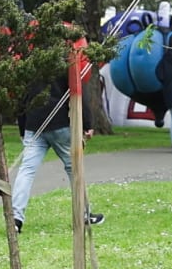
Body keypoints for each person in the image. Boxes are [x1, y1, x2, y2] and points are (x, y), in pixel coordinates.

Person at [12, 75, 104, 233]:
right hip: (59, 123)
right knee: (74, 168)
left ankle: (15, 218)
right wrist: (87, 124)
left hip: (33, 124)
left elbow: (22, 98)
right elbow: (79, 93)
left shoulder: (30, 64)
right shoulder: (67, 64)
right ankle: (84, 213)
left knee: (27, 170)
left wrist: (22, 127)